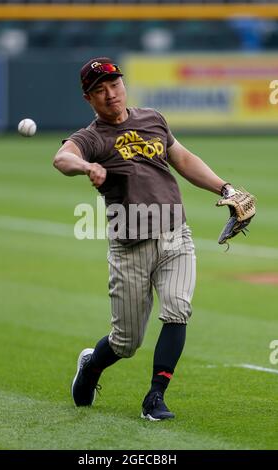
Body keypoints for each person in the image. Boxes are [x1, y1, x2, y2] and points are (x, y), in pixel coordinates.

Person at [53, 57, 235, 421]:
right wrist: (87, 166)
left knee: (178, 308)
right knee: (126, 342)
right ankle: (91, 365)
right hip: (130, 245)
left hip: (174, 235)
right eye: (99, 90)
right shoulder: (91, 137)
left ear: (123, 84)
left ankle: (155, 396)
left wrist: (225, 187)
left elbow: (181, 157)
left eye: (114, 85)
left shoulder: (153, 119)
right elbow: (62, 158)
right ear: (88, 98)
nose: (110, 94)